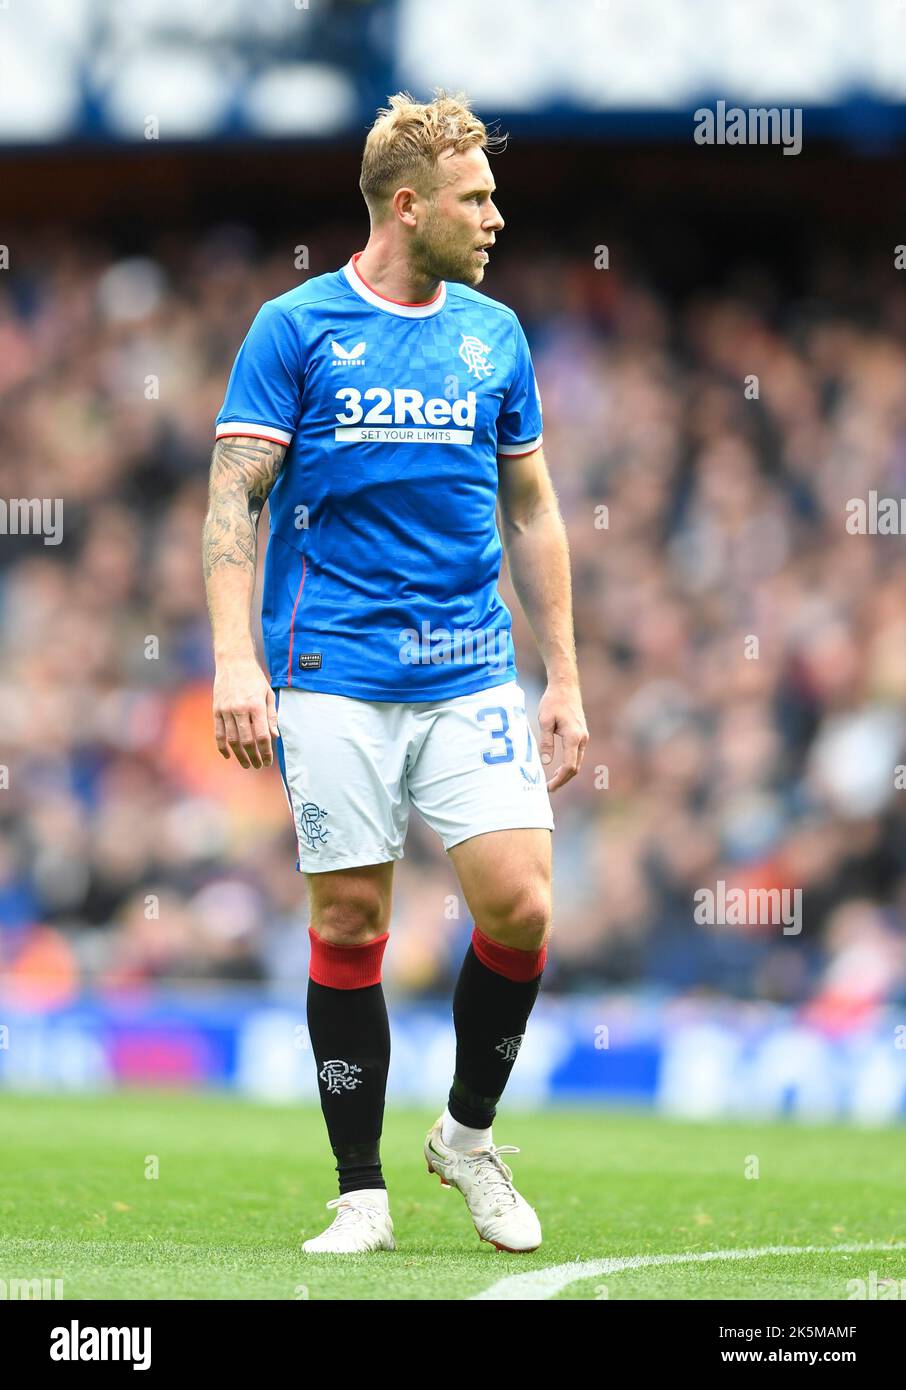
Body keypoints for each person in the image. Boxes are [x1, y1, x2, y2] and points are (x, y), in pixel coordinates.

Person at [202, 89, 588, 1254]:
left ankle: (466, 1137)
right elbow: (233, 503)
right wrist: (233, 657)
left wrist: (563, 675)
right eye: (476, 198)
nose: (495, 216)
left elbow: (533, 509)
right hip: (331, 672)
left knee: (520, 905)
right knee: (354, 915)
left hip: (471, 668)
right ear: (407, 205)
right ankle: (360, 1190)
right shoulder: (295, 327)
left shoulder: (495, 335)